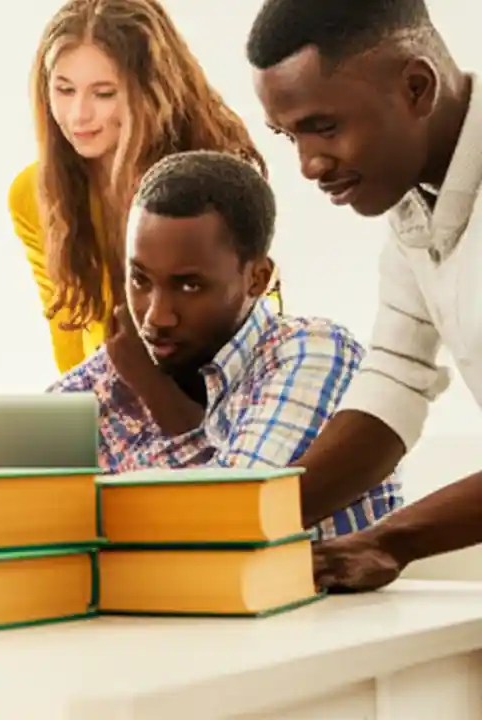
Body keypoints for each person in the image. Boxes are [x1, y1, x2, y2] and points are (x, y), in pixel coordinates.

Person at [247, 0, 482, 589]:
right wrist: (251, 523)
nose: (307, 164)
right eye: (288, 135)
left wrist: (390, 539)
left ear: (416, 87)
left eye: (323, 127)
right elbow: (396, 379)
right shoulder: (412, 201)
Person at [52, 150, 401, 539]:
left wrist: (153, 390)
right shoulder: (104, 377)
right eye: (141, 281)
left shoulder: (310, 352)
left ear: (257, 278)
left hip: (326, 602)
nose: (155, 316)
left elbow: (226, 518)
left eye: (190, 285)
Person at [9, 0, 280, 373]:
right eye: (64, 89)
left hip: (220, 394)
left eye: (103, 93)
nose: (78, 115)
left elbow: (256, 323)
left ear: (152, 91)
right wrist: (82, 420)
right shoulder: (32, 194)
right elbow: (69, 341)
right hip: (113, 403)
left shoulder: (215, 177)